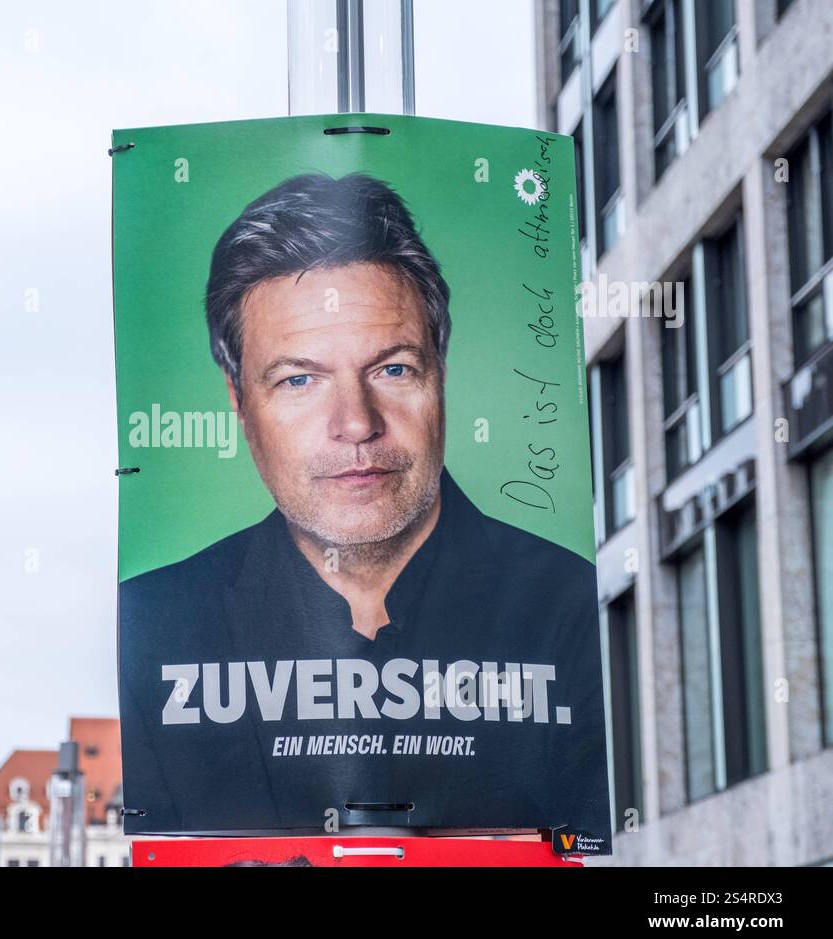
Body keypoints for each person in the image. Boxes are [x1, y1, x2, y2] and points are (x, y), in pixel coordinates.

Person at [118, 172, 610, 851]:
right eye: (299, 379)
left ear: (442, 371)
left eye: (393, 369)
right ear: (238, 402)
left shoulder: (575, 609)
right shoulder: (159, 622)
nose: (355, 424)